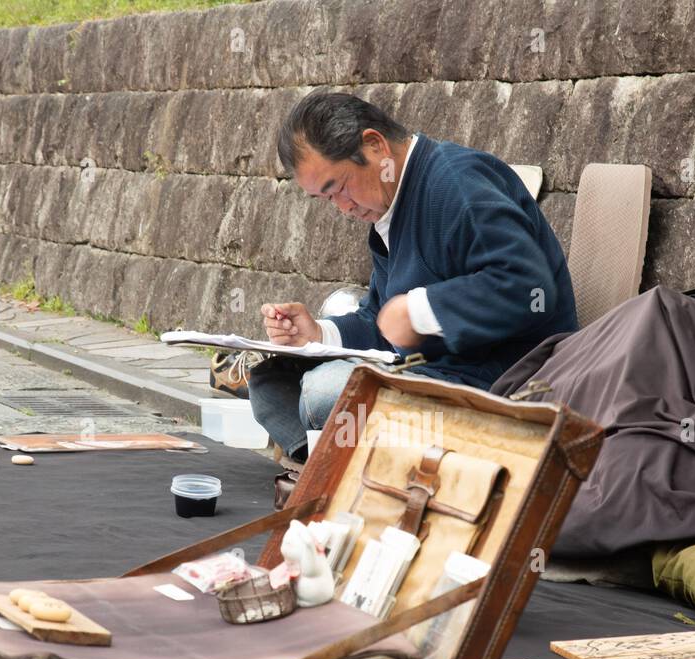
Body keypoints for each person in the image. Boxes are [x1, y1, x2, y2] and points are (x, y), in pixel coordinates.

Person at [248, 90, 578, 462]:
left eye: (338, 188)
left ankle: (339, 461)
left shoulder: (457, 183)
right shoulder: (390, 211)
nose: (342, 208)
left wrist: (421, 311)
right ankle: (336, 463)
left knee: (328, 391)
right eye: (327, 200)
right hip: (424, 377)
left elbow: (529, 288)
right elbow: (382, 323)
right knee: (270, 382)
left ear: (374, 145)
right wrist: (319, 333)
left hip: (499, 385)